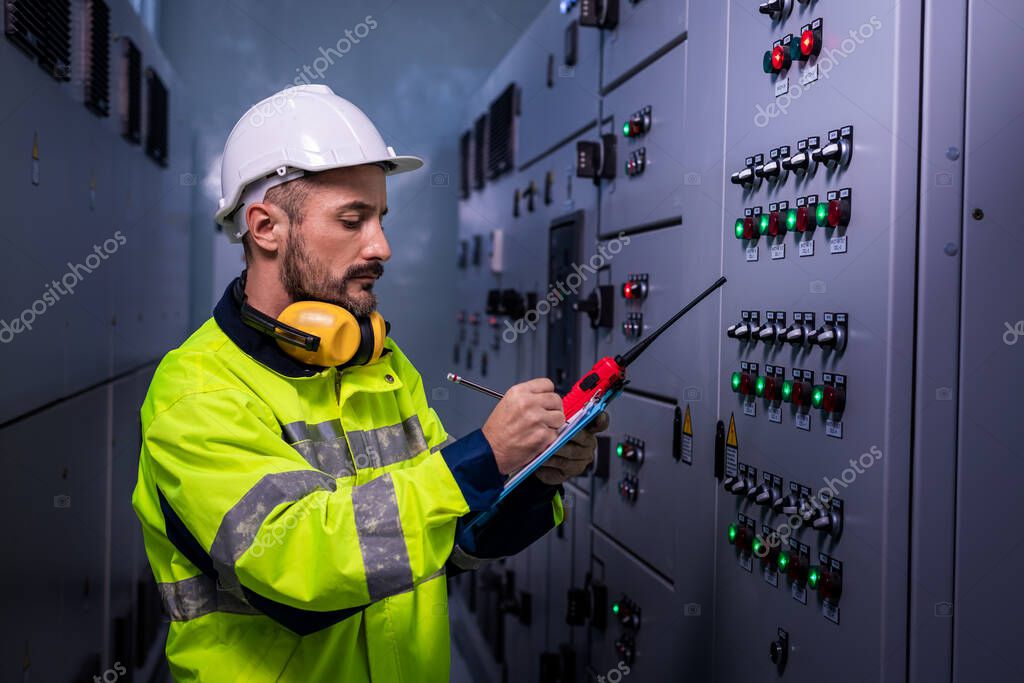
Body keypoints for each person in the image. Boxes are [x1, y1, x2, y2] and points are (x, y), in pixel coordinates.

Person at [131, 84, 608, 682]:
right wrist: (479, 459)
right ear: (266, 227)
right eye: (352, 219)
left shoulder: (379, 364)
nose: (381, 245)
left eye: (380, 218)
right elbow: (295, 571)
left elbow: (446, 540)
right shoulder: (196, 391)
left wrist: (527, 477)